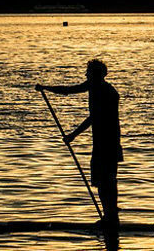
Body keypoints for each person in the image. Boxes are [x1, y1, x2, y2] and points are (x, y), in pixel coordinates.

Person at [35, 59, 123, 232]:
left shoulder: (107, 92)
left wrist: (72, 136)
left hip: (108, 144)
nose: (86, 75)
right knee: (101, 181)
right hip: (100, 143)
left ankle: (111, 219)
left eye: (88, 72)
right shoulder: (94, 86)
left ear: (97, 75)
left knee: (107, 182)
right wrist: (46, 88)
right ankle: (109, 218)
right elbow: (69, 90)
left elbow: (94, 118)